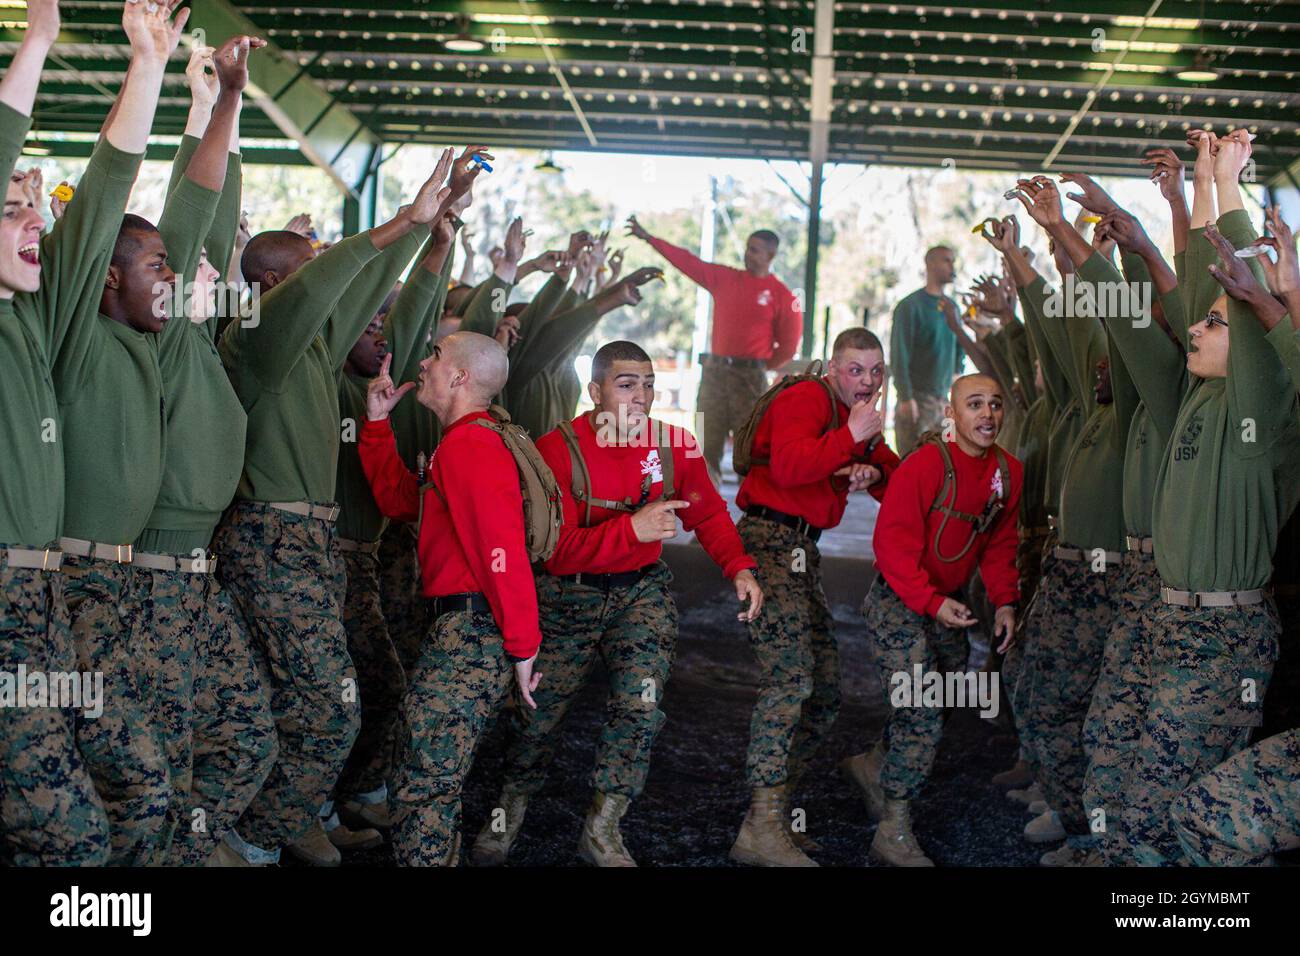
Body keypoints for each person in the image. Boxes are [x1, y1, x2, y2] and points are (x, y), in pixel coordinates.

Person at [211, 144, 480, 865]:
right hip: (271, 538)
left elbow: (378, 307)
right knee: (330, 708)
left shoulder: (315, 356)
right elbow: (326, 290)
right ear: (270, 282)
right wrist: (396, 224)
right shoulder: (256, 338)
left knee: (318, 701)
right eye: (308, 273)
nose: (332, 294)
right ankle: (254, 832)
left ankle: (284, 818)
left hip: (313, 546)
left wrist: (425, 232)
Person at [470, 338, 763, 867]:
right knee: (536, 717)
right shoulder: (557, 450)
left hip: (639, 591)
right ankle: (508, 808)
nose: (642, 397)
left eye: (649, 385)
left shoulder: (674, 445)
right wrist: (631, 528)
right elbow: (552, 552)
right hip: (568, 594)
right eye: (627, 385)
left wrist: (739, 566)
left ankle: (604, 826)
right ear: (596, 391)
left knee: (641, 706)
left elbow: (709, 515)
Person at [1123, 130, 1300, 866]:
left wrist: (1228, 187)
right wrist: (1205, 178)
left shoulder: (1259, 419)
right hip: (1175, 619)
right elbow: (1207, 279)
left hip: (1224, 637)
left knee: (1164, 822)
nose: (1194, 326)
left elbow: (1239, 295)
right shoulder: (1202, 400)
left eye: (1216, 322)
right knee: (1157, 807)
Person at [131, 34, 280, 868]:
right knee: (150, 756)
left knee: (241, 733)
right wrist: (209, 106)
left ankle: (189, 848)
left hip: (197, 575)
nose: (202, 270)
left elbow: (213, 223)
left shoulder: (209, 336)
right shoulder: (155, 340)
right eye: (171, 267)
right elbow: (196, 217)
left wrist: (219, 109)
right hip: (150, 573)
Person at [0, 0, 116, 866]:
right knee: (71, 837)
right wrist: (37, 41)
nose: (35, 219)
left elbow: (104, 197)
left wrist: (148, 71)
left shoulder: (33, 326)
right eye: (11, 209)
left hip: (41, 601)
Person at [359, 334, 541, 866]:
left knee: (421, 783)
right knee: (432, 779)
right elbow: (399, 500)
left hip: (471, 631)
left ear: (460, 377)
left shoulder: (472, 445)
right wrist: (375, 424)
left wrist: (524, 645)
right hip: (462, 628)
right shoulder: (458, 443)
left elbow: (501, 552)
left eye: (436, 355)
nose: (424, 362)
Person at [732, 327, 900, 866]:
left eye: (876, 371)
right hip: (769, 542)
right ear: (833, 368)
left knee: (824, 689)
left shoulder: (858, 417)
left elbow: (893, 478)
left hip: (804, 550)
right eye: (856, 369)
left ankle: (773, 817)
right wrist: (850, 437)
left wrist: (871, 465)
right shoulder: (808, 397)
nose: (867, 381)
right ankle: (759, 827)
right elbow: (788, 466)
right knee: (791, 679)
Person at [856, 374, 1021, 866]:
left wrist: (1006, 601)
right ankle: (893, 830)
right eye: (974, 404)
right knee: (922, 710)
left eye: (994, 404)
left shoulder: (1008, 472)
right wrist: (931, 603)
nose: (987, 414)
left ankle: (873, 764)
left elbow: (999, 544)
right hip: (900, 601)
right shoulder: (925, 465)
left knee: (940, 703)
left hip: (948, 603)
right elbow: (891, 547)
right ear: (952, 414)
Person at [330, 213, 458, 842]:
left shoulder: (380, 386)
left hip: (367, 559)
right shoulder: (318, 377)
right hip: (319, 559)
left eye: (384, 324)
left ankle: (348, 794)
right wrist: (413, 227)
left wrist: (438, 243)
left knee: (374, 683)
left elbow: (410, 317)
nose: (382, 335)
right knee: (343, 690)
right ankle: (310, 811)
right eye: (367, 323)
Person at [627, 214, 801, 485]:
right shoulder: (725, 279)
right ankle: (707, 517)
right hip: (715, 374)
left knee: (749, 450)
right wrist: (649, 238)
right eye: (746, 247)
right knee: (706, 445)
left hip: (750, 379)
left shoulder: (782, 296)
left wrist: (758, 366)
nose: (747, 254)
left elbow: (788, 346)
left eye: (754, 249)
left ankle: (748, 520)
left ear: (771, 254)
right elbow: (689, 262)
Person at [890, 246, 963, 452]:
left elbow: (959, 345)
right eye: (946, 260)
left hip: (944, 400)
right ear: (930, 263)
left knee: (944, 464)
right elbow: (899, 354)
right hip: (917, 399)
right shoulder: (910, 307)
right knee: (912, 462)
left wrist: (957, 374)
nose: (952, 266)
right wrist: (906, 397)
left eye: (953, 261)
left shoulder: (952, 307)